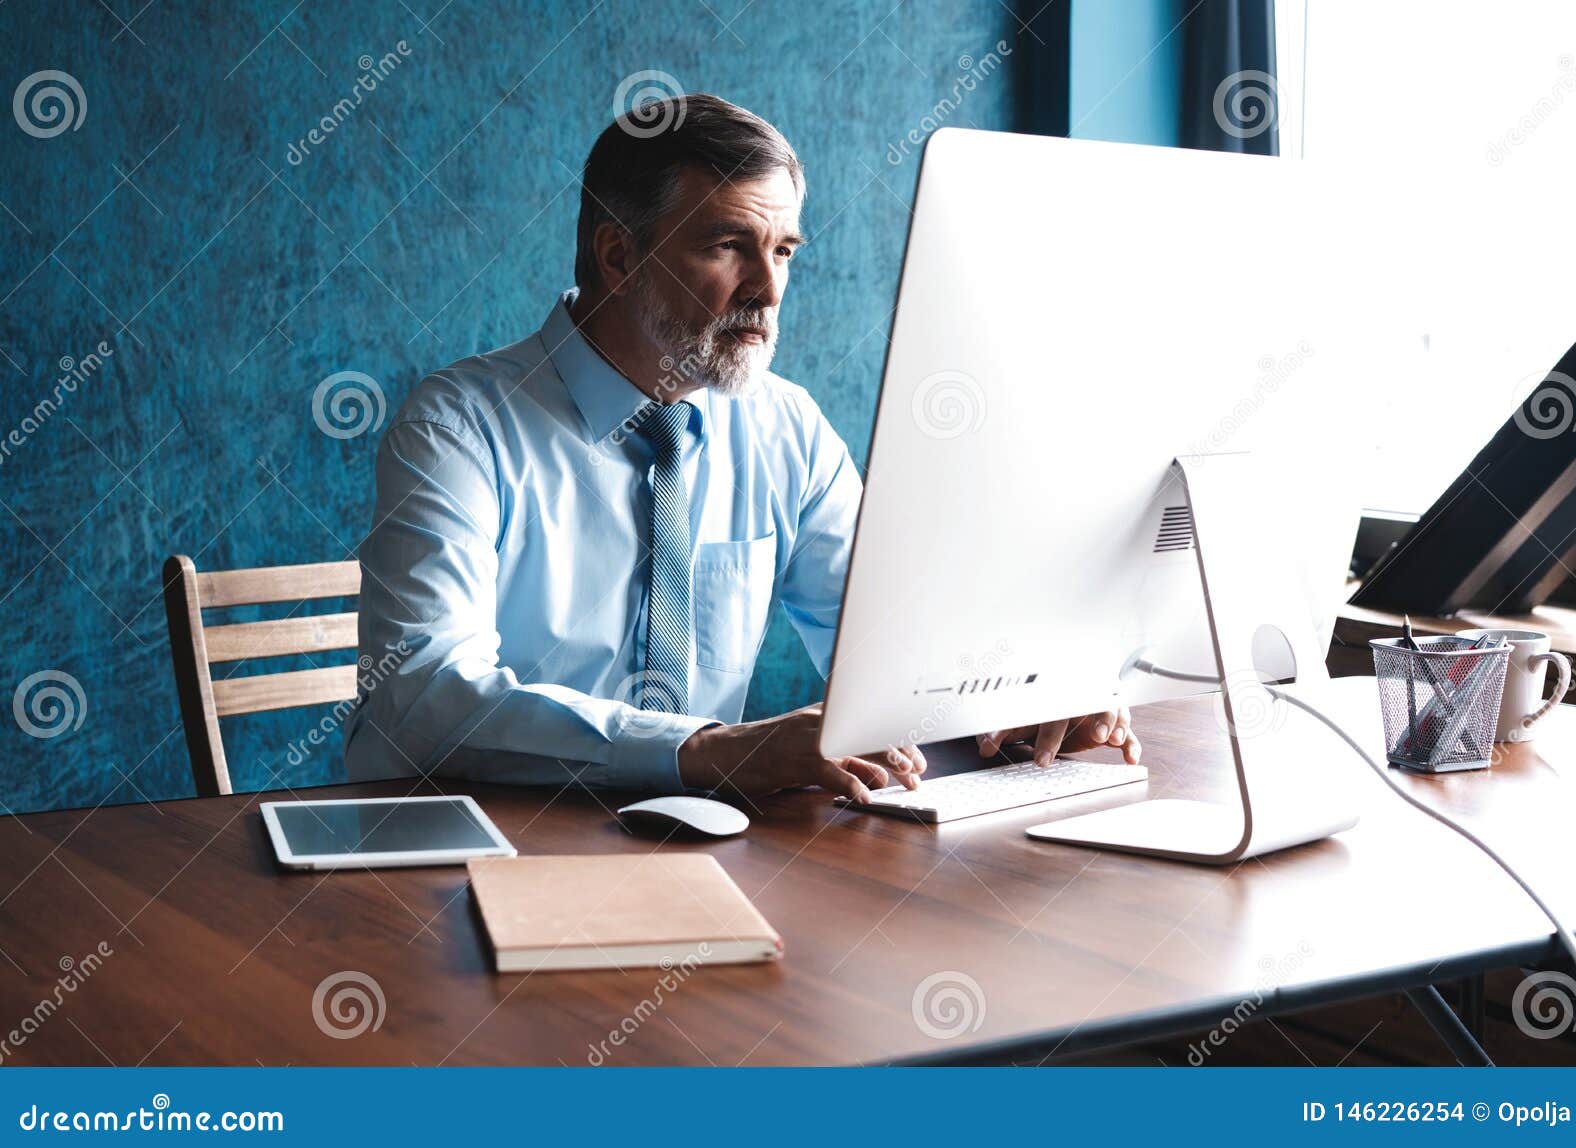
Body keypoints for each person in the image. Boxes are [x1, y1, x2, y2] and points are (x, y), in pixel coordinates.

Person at [342, 93, 1138, 807]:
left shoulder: (784, 427)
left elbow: (891, 646)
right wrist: (701, 752)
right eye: (729, 244)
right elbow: (422, 696)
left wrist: (1025, 695)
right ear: (620, 258)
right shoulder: (457, 428)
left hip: (692, 849)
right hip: (454, 859)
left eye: (784, 249)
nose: (769, 287)